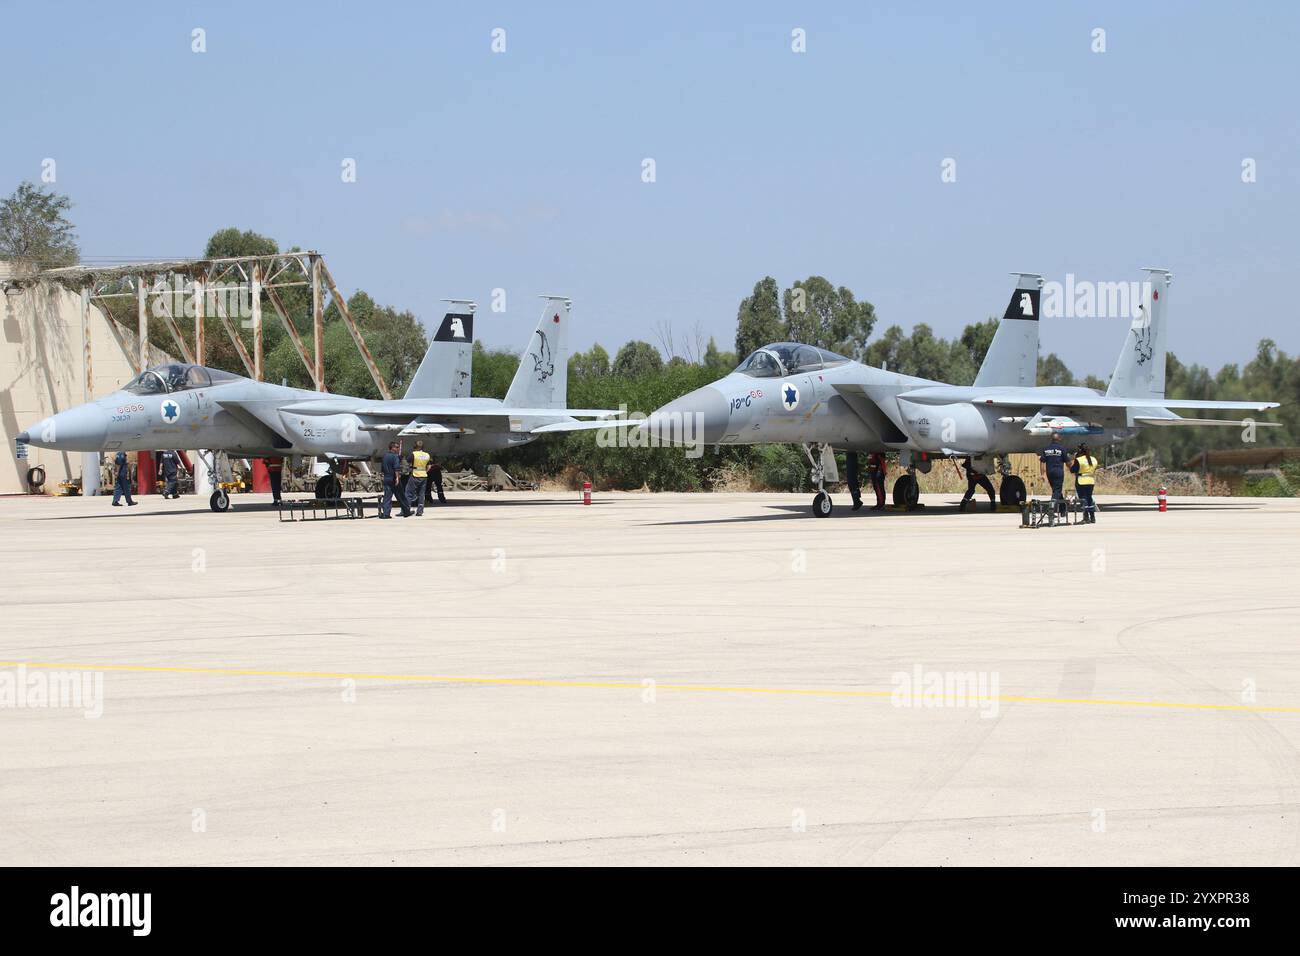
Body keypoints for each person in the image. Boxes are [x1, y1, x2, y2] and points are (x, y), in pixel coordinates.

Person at [1070, 443, 1100, 523]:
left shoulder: (1079, 460)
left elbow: (1072, 470)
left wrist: (1075, 459)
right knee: (1089, 498)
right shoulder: (1093, 459)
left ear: (1080, 450)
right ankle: (1092, 517)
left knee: (1083, 499)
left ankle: (1086, 517)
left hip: (1081, 481)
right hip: (1090, 480)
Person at [1038, 433, 1067, 516]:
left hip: (1049, 473)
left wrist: (1042, 474)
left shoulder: (1046, 449)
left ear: (1052, 439)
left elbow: (1042, 461)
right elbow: (1067, 461)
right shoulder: (1061, 449)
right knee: (1057, 491)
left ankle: (1063, 509)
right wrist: (1072, 469)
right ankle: (1051, 509)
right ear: (1059, 439)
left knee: (1056, 490)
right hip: (1058, 472)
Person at [379, 442, 409, 518]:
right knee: (401, 496)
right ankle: (406, 511)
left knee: (387, 497)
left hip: (386, 478)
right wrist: (397, 478)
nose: (398, 448)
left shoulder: (385, 456)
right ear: (392, 448)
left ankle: (386, 513)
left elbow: (382, 468)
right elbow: (396, 468)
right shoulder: (395, 457)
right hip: (393, 479)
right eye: (396, 447)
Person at [405, 440, 431, 516]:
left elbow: (408, 461)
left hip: (415, 475)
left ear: (415, 447)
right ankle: (420, 511)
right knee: (421, 494)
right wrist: (424, 471)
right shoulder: (427, 455)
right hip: (424, 475)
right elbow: (429, 466)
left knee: (409, 493)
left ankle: (406, 510)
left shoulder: (414, 454)